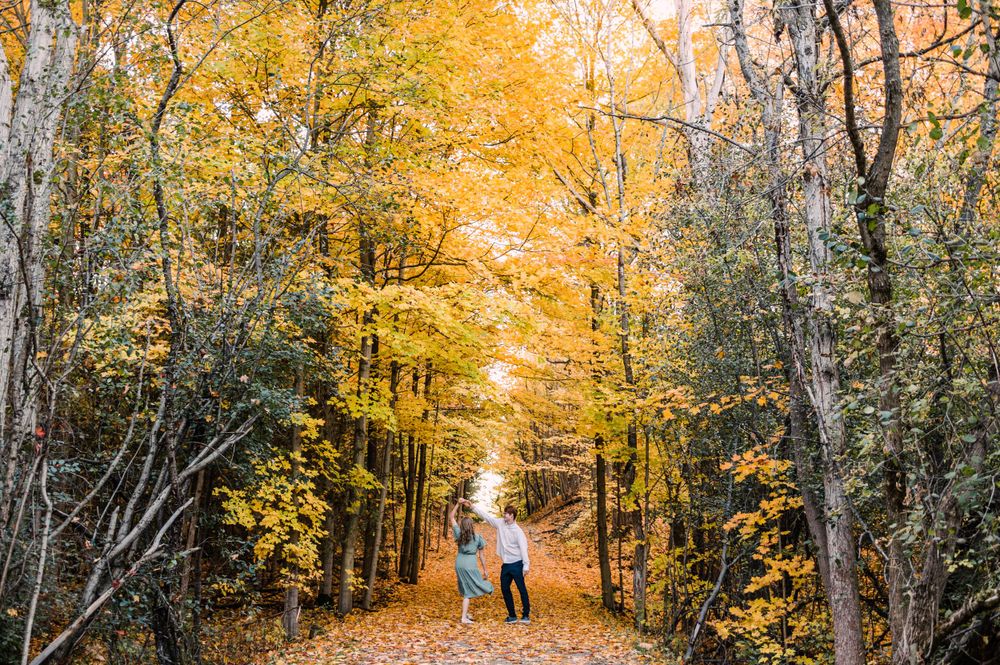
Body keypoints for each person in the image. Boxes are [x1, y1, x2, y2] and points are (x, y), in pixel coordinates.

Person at [459, 497, 530, 624]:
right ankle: (512, 616)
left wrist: (526, 565)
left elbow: (524, 548)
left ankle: (526, 616)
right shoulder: (500, 523)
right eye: (504, 513)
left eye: (506, 514)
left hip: (517, 563)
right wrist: (472, 507)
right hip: (506, 564)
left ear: (512, 516)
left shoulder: (518, 532)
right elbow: (487, 517)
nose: (504, 515)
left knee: (521, 588)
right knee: (504, 588)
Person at [448, 500, 493, 624]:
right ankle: (464, 618)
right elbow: (481, 556)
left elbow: (451, 517)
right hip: (470, 564)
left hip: (459, 563)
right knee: (470, 589)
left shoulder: (459, 534)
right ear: (472, 526)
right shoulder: (477, 538)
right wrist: (485, 569)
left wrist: (458, 504)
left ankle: (465, 612)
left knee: (465, 587)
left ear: (462, 526)